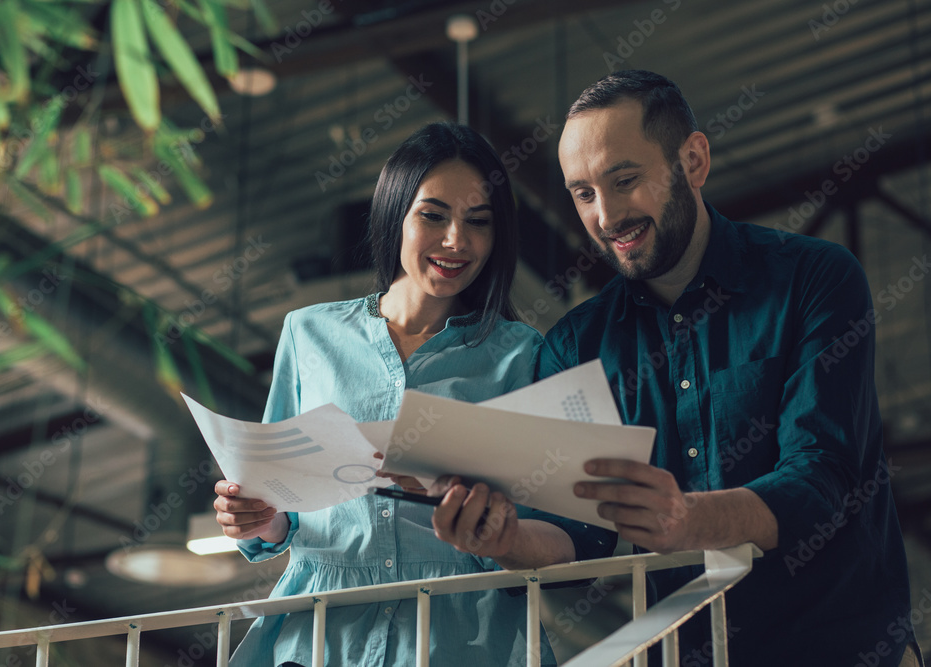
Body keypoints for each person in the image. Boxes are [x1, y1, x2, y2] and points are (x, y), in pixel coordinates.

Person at [543, 70, 923, 666]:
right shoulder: (574, 345)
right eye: (583, 193)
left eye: (625, 180)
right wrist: (507, 540)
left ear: (692, 161)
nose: (607, 214)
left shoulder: (814, 279)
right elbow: (580, 533)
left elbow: (822, 476)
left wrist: (684, 520)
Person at [213, 122, 606, 667]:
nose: (456, 241)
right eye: (433, 215)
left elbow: (548, 520)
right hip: (320, 632)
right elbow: (283, 509)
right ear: (395, 212)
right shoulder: (308, 335)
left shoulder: (522, 355)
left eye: (478, 222)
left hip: (462, 632)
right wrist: (257, 518)